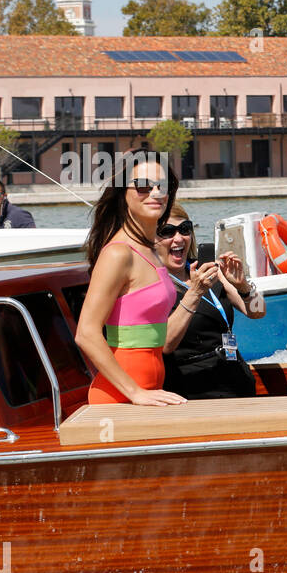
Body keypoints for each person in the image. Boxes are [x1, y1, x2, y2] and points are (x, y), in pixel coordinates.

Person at [76, 158, 187, 406]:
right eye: (143, 186)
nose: (156, 193)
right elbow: (86, 333)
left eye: (163, 185)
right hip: (118, 398)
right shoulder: (118, 253)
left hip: (151, 392)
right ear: (122, 194)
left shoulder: (153, 251)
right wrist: (135, 392)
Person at [155, 203, 264, 399]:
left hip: (235, 376)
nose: (178, 238)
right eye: (167, 232)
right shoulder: (152, 282)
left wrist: (244, 287)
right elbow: (165, 344)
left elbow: (257, 312)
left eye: (185, 229)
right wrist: (195, 291)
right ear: (152, 239)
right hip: (192, 387)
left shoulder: (209, 271)